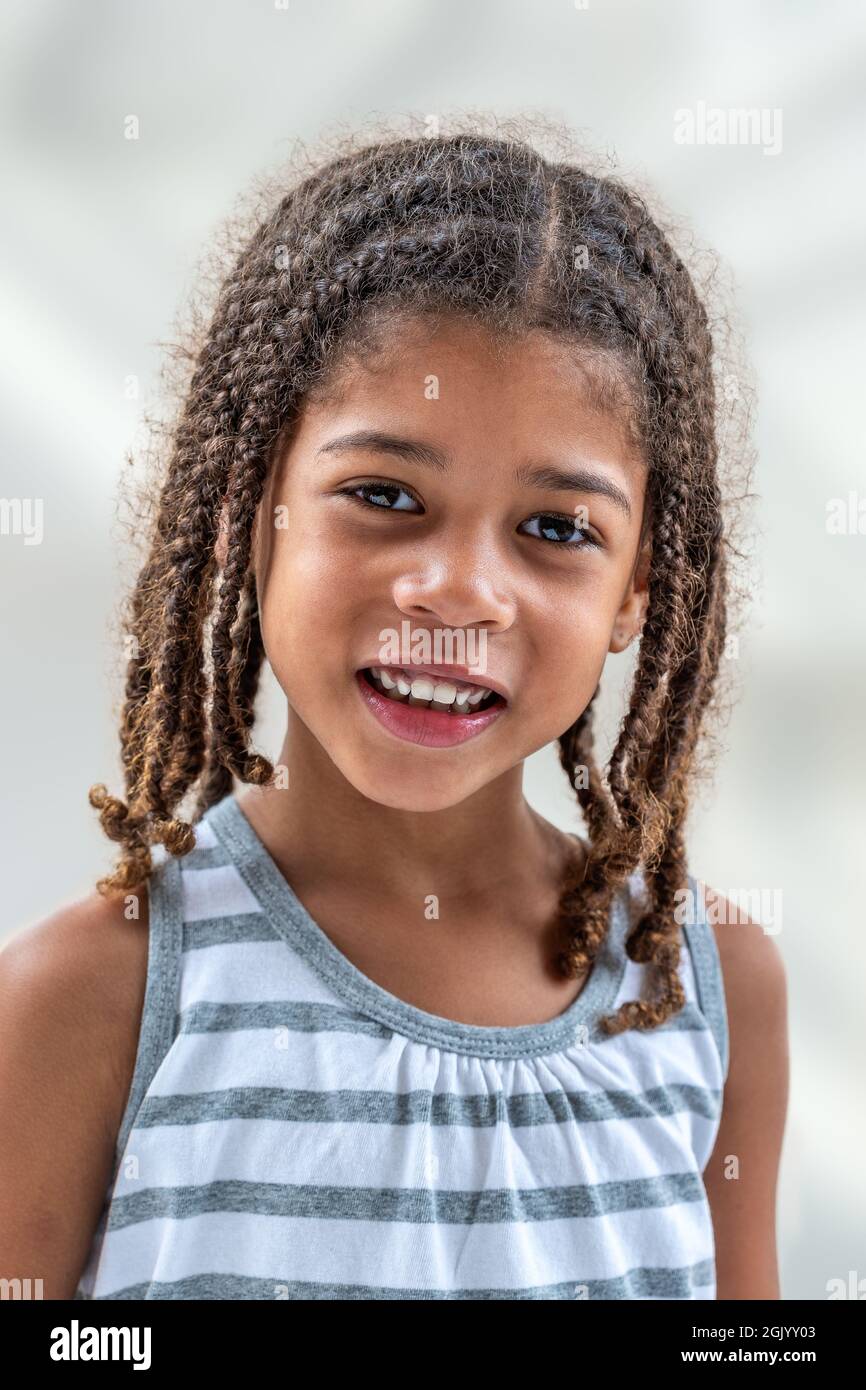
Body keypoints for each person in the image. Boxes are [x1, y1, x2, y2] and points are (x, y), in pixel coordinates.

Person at [0, 121, 788, 1300]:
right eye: (383, 494)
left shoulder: (706, 983)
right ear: (250, 505)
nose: (460, 589)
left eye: (557, 529)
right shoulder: (94, 993)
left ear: (638, 588)